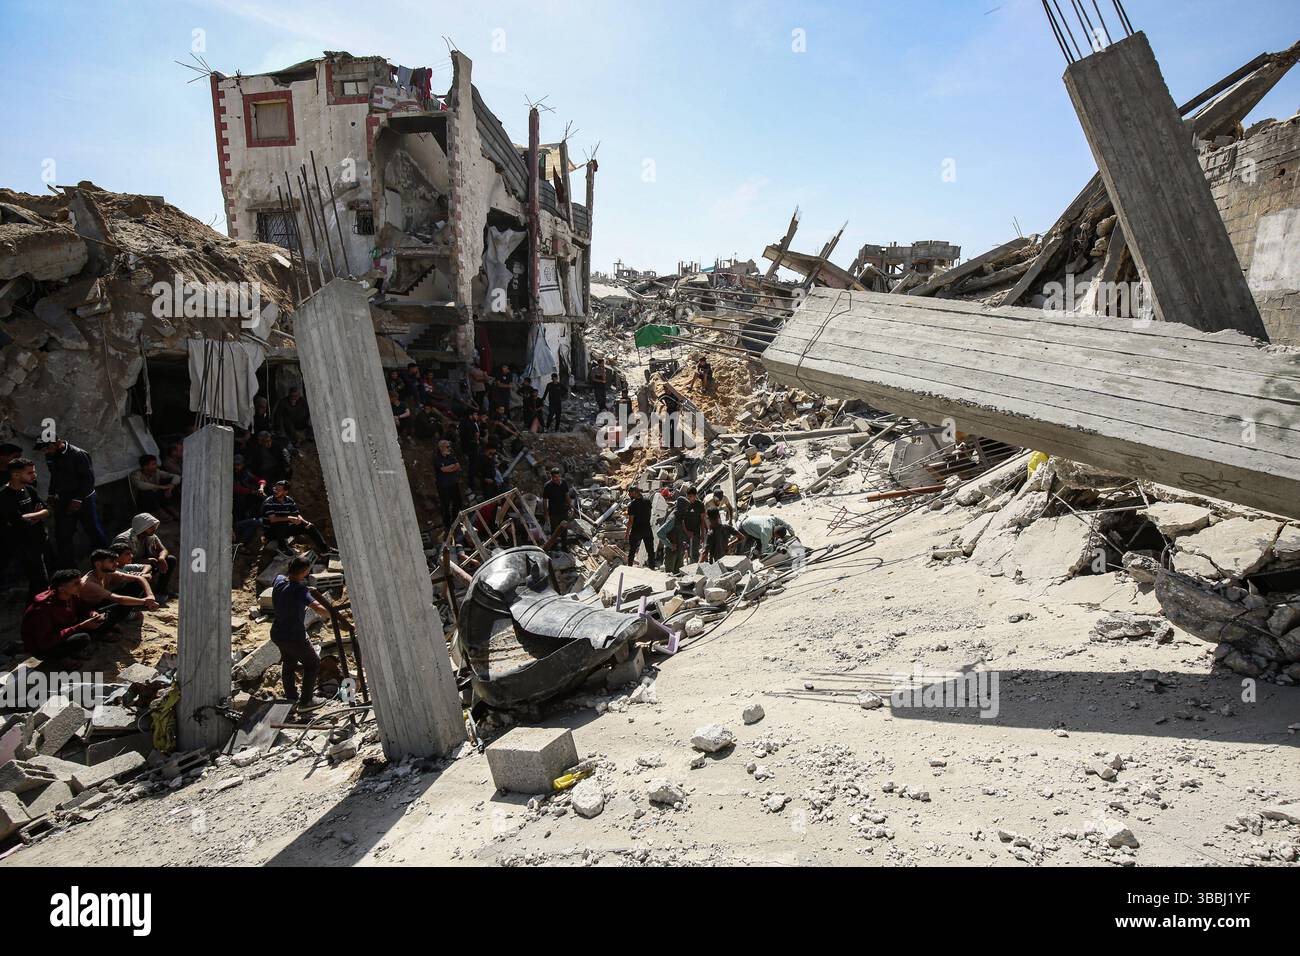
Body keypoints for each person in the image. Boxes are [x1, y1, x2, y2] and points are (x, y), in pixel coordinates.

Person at [270, 555, 330, 711]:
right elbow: (319, 608)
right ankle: (306, 702)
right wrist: (332, 614)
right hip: (294, 636)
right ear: (304, 571)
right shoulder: (300, 590)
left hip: (278, 633)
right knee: (313, 663)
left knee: (289, 662)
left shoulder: (279, 580)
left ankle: (291, 699)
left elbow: (287, 586)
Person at [37, 438, 109, 567]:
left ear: (57, 443)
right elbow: (54, 476)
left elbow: (88, 479)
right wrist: (52, 493)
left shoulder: (78, 454)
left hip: (84, 498)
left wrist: (78, 499)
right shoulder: (50, 456)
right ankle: (68, 569)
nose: (45, 451)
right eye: (43, 449)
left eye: (47, 448)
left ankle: (106, 562)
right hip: (63, 499)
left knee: (93, 531)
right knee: (62, 534)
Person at [20, 569, 105, 660]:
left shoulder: (71, 595)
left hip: (64, 630)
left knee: (102, 616)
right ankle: (62, 659)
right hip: (45, 648)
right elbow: (45, 642)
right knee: (83, 638)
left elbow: (83, 608)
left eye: (80, 582)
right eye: (76, 583)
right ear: (61, 588)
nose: (81, 585)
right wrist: (80, 626)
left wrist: (92, 614)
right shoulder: (42, 609)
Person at [0, 457, 52, 601]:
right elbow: (19, 522)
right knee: (40, 581)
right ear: (16, 475)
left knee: (40, 581)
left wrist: (32, 516)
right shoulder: (4, 496)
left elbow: (48, 510)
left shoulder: (29, 489)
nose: (34, 475)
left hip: (40, 538)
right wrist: (36, 516)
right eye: (29, 473)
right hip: (24, 545)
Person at [79, 548, 157, 629]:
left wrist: (150, 596)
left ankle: (121, 617)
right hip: (88, 611)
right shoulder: (89, 583)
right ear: (98, 564)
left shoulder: (107, 572)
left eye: (115, 561)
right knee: (103, 618)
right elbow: (120, 599)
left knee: (136, 584)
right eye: (111, 562)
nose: (116, 564)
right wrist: (145, 602)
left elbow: (140, 578)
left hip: (101, 603)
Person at [113, 513, 174, 600]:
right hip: (126, 567)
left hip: (145, 564)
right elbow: (121, 561)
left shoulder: (151, 536)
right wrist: (145, 561)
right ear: (142, 527)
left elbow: (163, 550)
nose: (154, 529)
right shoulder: (124, 539)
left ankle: (160, 591)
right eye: (151, 527)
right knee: (139, 575)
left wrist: (161, 558)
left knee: (170, 560)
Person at [261, 481, 331, 556]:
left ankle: (325, 550)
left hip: (284, 530)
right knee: (281, 522)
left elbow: (296, 514)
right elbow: (273, 519)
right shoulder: (269, 502)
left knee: (310, 527)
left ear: (285, 492)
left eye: (278, 490)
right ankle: (282, 547)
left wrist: (304, 522)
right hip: (271, 532)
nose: (275, 491)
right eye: (275, 489)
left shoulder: (289, 500)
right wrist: (290, 518)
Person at [541, 467, 575, 549]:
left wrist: (571, 505)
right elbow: (545, 501)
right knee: (554, 530)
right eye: (555, 477)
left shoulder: (563, 483)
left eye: (558, 476)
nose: (557, 479)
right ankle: (554, 546)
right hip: (553, 512)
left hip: (564, 510)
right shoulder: (547, 486)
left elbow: (566, 495)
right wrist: (546, 513)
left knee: (564, 530)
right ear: (551, 477)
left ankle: (564, 546)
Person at [434, 438, 464, 531]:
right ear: (441, 448)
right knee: (445, 505)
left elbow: (458, 466)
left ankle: (455, 520)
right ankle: (447, 525)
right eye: (447, 447)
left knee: (458, 502)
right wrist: (451, 467)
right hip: (444, 486)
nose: (449, 448)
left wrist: (449, 468)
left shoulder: (451, 456)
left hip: (453, 483)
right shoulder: (437, 458)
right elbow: (443, 469)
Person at [625, 485, 655, 569]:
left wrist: (627, 533)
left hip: (636, 531)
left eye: (630, 493)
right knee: (650, 551)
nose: (629, 495)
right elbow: (649, 513)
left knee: (632, 551)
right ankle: (652, 568)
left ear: (634, 492)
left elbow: (630, 521)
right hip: (647, 529)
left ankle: (629, 568)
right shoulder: (648, 501)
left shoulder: (632, 505)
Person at [658, 496, 690, 573]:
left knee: (678, 576)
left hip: (679, 551)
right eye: (685, 509)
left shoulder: (679, 517)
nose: (686, 511)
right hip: (671, 553)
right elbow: (660, 533)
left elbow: (676, 532)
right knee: (670, 577)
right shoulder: (673, 518)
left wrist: (682, 542)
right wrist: (670, 545)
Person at [681, 486, 705, 562]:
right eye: (687, 496)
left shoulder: (700, 505)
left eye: (690, 496)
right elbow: (681, 520)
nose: (688, 498)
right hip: (685, 533)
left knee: (695, 554)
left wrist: (702, 534)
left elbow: (702, 520)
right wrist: (687, 532)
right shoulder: (684, 504)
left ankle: (694, 569)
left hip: (696, 533)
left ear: (695, 496)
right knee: (684, 551)